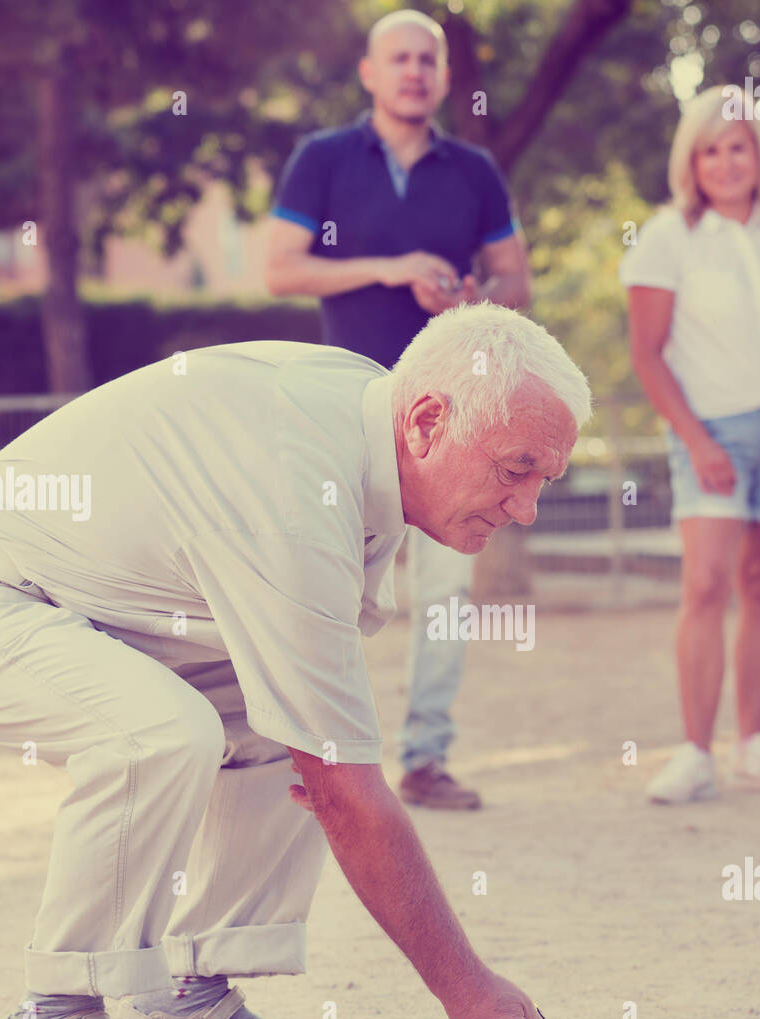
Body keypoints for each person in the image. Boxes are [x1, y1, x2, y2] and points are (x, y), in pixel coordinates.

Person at [0, 302, 587, 1019]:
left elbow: (321, 729)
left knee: (287, 719)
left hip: (83, 608)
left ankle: (186, 1003)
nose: (527, 506)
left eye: (545, 480)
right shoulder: (295, 485)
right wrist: (469, 991)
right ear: (428, 422)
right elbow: (348, 788)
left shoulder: (366, 421)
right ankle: (53, 1017)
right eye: (514, 468)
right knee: (164, 733)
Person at [263, 8, 531, 811]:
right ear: (370, 74)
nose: (415, 70)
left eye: (428, 59)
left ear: (444, 77)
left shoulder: (475, 171)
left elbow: (518, 278)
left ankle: (424, 759)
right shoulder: (322, 160)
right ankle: (314, 756)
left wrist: (484, 293)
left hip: (454, 419)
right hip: (345, 406)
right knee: (326, 587)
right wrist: (390, 268)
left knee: (444, 593)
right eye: (399, 58)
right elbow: (280, 269)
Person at [622, 85, 760, 804]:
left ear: (758, 154)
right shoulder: (667, 237)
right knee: (705, 584)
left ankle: (756, 743)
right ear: (692, 160)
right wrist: (696, 439)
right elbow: (647, 355)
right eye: (709, 149)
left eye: (737, 146)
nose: (725, 161)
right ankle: (693, 752)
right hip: (710, 428)